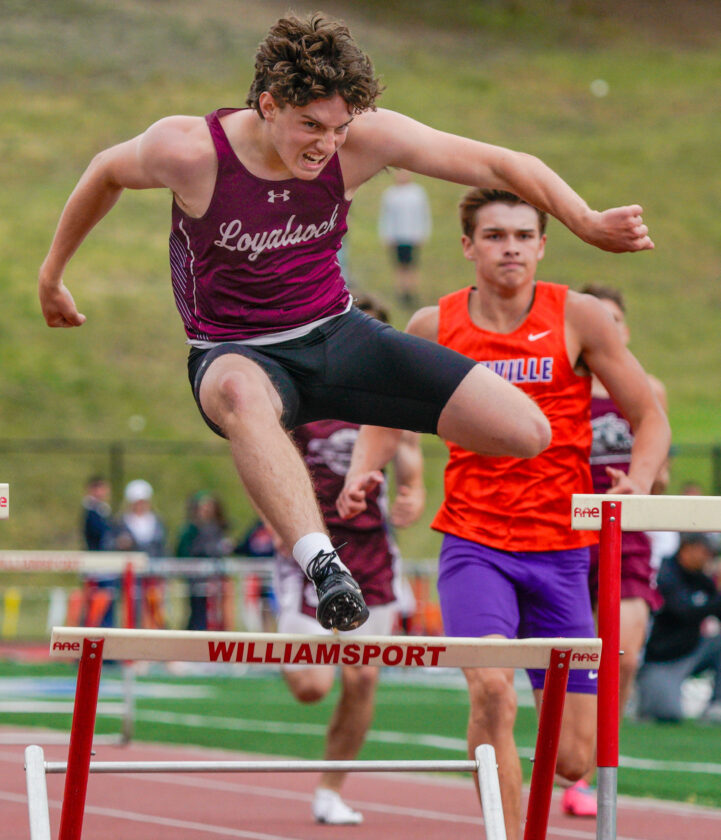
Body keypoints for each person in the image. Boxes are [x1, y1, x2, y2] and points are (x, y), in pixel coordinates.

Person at [38, 12, 653, 635]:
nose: (324, 146)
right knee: (238, 392)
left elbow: (500, 164)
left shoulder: (362, 140)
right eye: (309, 125)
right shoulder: (190, 150)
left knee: (526, 429)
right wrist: (52, 274)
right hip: (235, 350)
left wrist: (585, 219)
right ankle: (325, 568)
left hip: (337, 335)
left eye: (337, 129)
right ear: (269, 104)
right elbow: (104, 172)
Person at [338, 189, 669, 840]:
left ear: (542, 245)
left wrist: (635, 481)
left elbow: (648, 411)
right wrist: (363, 468)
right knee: (490, 690)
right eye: (493, 236)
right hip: (473, 544)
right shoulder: (435, 327)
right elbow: (385, 410)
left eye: (522, 235)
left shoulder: (577, 316)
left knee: (573, 757)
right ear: (467, 246)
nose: (509, 247)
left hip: (561, 553)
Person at [274, 293, 424, 826]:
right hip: (310, 552)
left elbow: (408, 452)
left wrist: (413, 491)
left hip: (373, 555)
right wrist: (277, 525)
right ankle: (310, 649)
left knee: (362, 678)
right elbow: (262, 461)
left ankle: (330, 789)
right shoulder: (301, 401)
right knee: (314, 687)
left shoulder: (385, 403)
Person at [561, 284, 670, 816]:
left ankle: (601, 765)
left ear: (624, 330)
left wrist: (650, 479)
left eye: (615, 319)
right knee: (574, 655)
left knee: (623, 652)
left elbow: (657, 458)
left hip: (628, 539)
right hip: (569, 537)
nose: (606, 327)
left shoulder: (648, 389)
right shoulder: (566, 387)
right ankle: (571, 753)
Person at [636, 533, 721, 723]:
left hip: (693, 652)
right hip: (663, 660)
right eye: (705, 551)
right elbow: (683, 611)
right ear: (687, 548)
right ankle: (643, 698)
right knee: (667, 714)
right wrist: (717, 599)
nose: (708, 557)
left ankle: (717, 704)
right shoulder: (664, 573)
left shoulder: (702, 578)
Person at [176, 491, 233, 630]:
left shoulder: (218, 528)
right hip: (197, 579)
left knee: (218, 613)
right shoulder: (190, 530)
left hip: (216, 577)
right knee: (198, 612)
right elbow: (182, 552)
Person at [115, 478, 167, 628]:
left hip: (153, 573)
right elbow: (112, 544)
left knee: (156, 609)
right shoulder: (122, 521)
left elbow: (162, 548)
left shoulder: (157, 521)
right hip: (132, 575)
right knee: (132, 609)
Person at [378, 169, 432, 308]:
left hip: (412, 236)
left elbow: (423, 214)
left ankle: (411, 291)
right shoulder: (391, 194)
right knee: (400, 266)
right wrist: (387, 235)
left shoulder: (417, 193)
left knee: (411, 265)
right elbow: (386, 217)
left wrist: (422, 233)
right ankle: (401, 291)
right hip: (397, 236)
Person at [79, 475, 116, 627]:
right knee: (95, 602)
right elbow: (97, 534)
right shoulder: (91, 511)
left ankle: (106, 630)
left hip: (106, 564)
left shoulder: (103, 510)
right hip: (96, 565)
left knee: (108, 600)